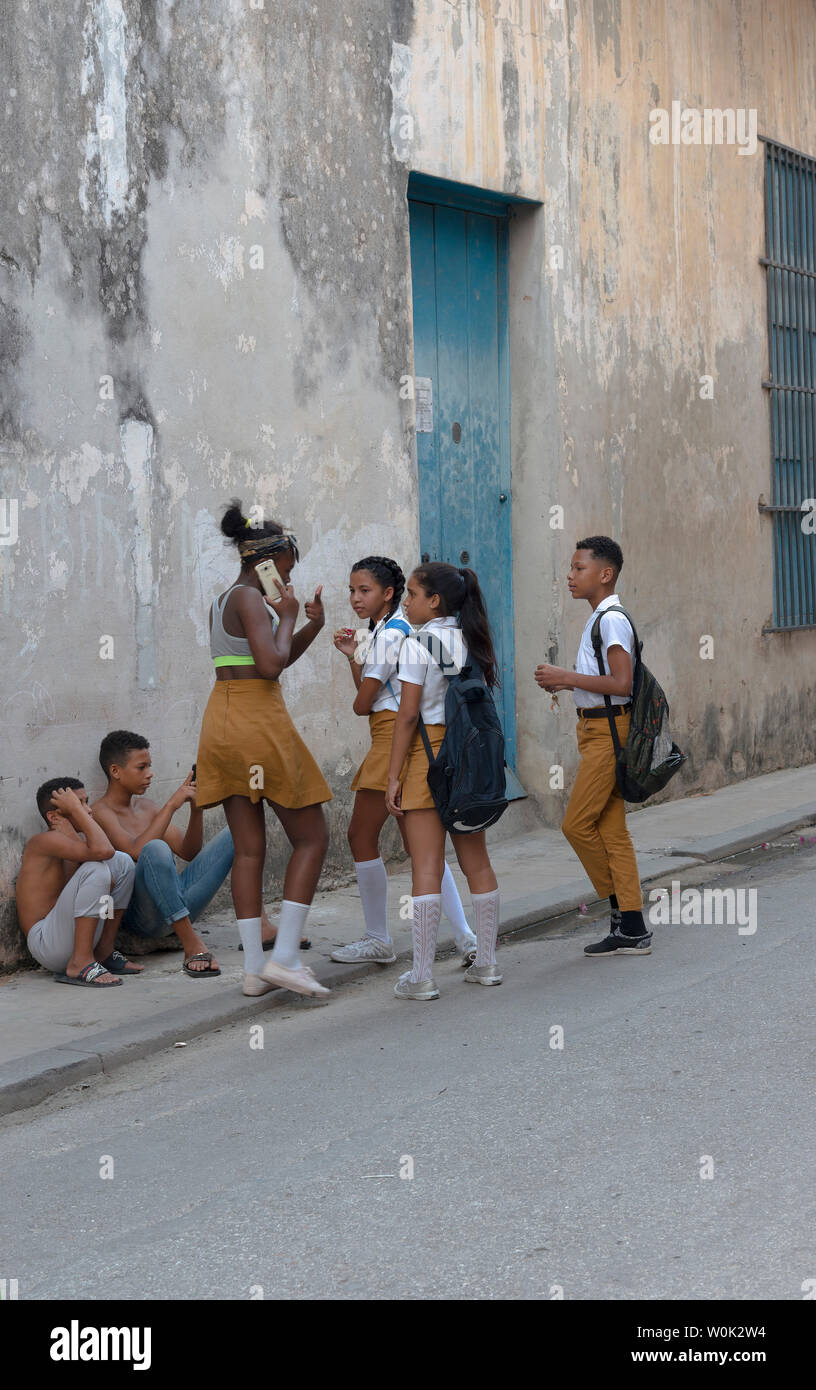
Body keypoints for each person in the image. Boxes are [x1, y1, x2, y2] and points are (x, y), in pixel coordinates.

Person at [194, 499, 332, 999]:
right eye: (291, 560)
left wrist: (308, 624)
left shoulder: (223, 600)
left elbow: (268, 656)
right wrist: (289, 613)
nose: (292, 574)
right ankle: (288, 956)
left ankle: (255, 969)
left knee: (249, 849)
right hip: (257, 720)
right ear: (271, 558)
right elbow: (272, 666)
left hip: (224, 719)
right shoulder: (252, 599)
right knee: (313, 837)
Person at [331, 556, 477, 966]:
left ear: (389, 594)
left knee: (364, 836)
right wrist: (353, 657)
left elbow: (363, 703)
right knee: (420, 846)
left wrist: (358, 663)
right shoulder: (384, 631)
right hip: (392, 732)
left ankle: (380, 937)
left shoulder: (394, 633)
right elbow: (371, 693)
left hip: (393, 736)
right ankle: (466, 938)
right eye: (352, 590)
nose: (356, 598)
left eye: (365, 590)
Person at [384, 562, 503, 1000]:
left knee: (427, 866)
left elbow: (408, 715)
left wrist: (392, 776)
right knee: (478, 863)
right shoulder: (470, 639)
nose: (406, 602)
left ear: (433, 601)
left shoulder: (417, 645)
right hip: (469, 754)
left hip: (429, 753)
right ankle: (487, 963)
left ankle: (422, 976)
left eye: (411, 594)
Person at [534, 535, 651, 956]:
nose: (570, 575)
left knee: (576, 824)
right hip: (597, 731)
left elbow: (622, 684)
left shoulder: (611, 620)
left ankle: (620, 909)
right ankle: (632, 928)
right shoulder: (599, 618)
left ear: (605, 574)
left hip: (609, 734)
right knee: (611, 830)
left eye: (579, 568)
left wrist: (566, 678)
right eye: (571, 567)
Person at [91, 730, 289, 977]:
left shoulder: (147, 807)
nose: (150, 773)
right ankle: (191, 944)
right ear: (115, 771)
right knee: (155, 848)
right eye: (141, 767)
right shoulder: (100, 812)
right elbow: (136, 851)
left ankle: (261, 924)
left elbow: (189, 851)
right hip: (143, 919)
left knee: (240, 831)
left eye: (150, 766)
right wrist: (172, 805)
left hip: (178, 903)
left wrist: (197, 809)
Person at [16, 779, 136, 986]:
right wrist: (76, 812)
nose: (88, 810)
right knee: (97, 868)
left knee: (121, 862)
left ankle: (103, 950)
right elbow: (103, 850)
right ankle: (80, 962)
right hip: (47, 942)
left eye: (86, 802)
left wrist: (73, 827)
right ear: (54, 817)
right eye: (78, 804)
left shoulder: (74, 844)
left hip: (75, 934)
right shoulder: (43, 842)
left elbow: (106, 854)